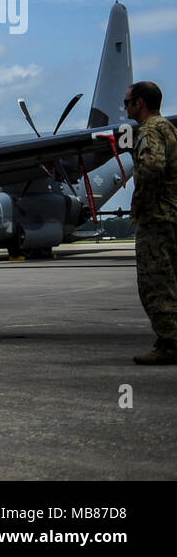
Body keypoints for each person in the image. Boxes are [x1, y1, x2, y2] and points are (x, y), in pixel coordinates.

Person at [124, 81, 177, 365]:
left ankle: (170, 344)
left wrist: (142, 204)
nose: (126, 107)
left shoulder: (149, 131)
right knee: (171, 279)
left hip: (156, 219)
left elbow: (152, 167)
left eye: (127, 102)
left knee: (155, 283)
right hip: (171, 213)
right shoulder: (169, 128)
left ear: (140, 103)